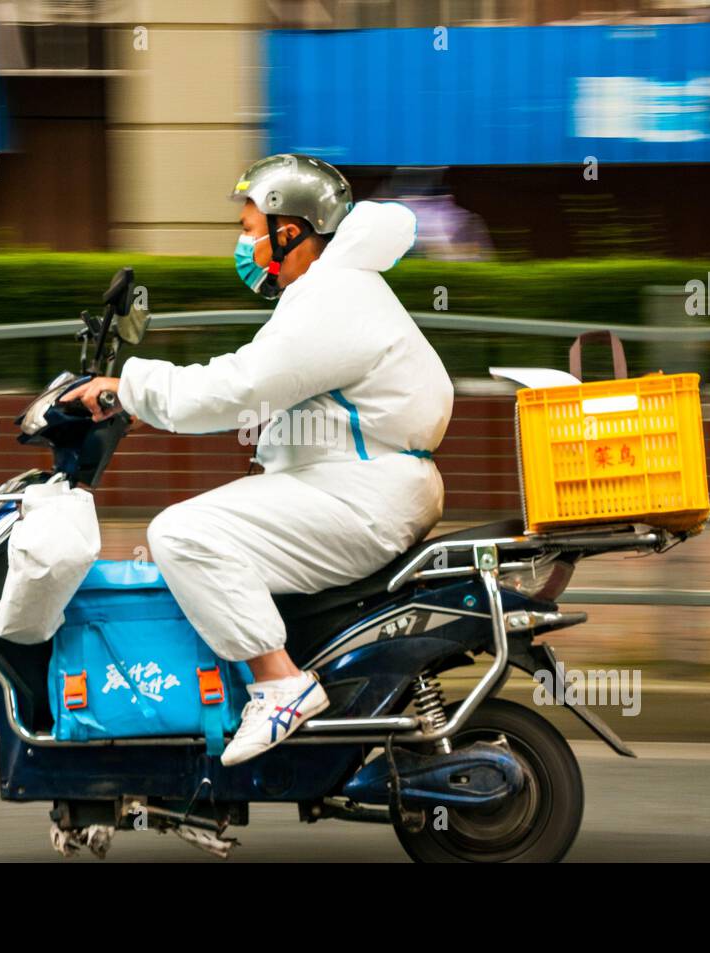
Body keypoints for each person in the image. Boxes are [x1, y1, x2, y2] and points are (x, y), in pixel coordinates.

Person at [62, 154, 453, 765]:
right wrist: (144, 407)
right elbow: (261, 393)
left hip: (362, 497)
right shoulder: (329, 292)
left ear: (289, 230)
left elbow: (241, 388)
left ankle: (279, 684)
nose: (242, 244)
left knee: (183, 533)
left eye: (249, 229)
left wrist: (128, 387)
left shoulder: (335, 296)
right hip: (355, 485)